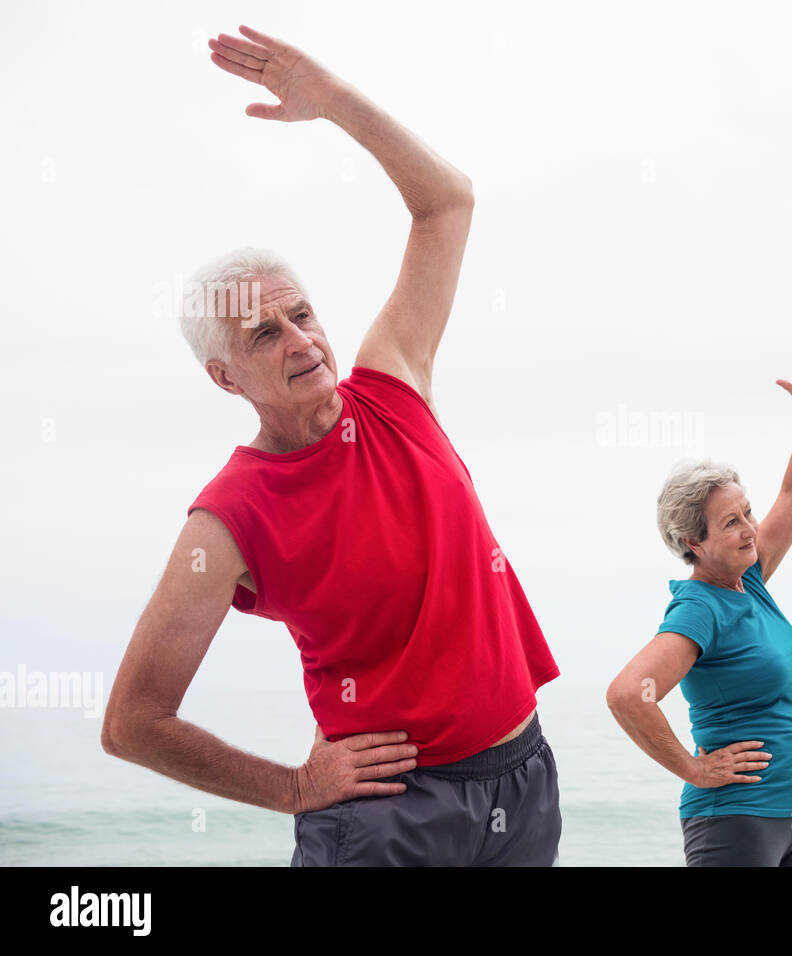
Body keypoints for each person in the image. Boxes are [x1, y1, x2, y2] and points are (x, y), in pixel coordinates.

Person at [101, 25, 561, 866]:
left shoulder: (393, 386)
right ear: (224, 377)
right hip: (389, 816)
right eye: (263, 334)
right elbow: (133, 722)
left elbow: (447, 202)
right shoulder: (227, 520)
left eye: (301, 314)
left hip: (523, 782)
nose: (299, 340)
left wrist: (332, 103)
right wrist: (292, 788)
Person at [607, 341, 792, 866]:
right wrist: (693, 768)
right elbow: (627, 695)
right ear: (694, 543)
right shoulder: (700, 610)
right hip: (736, 821)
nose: (750, 529)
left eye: (747, 512)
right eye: (732, 522)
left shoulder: (748, 579)